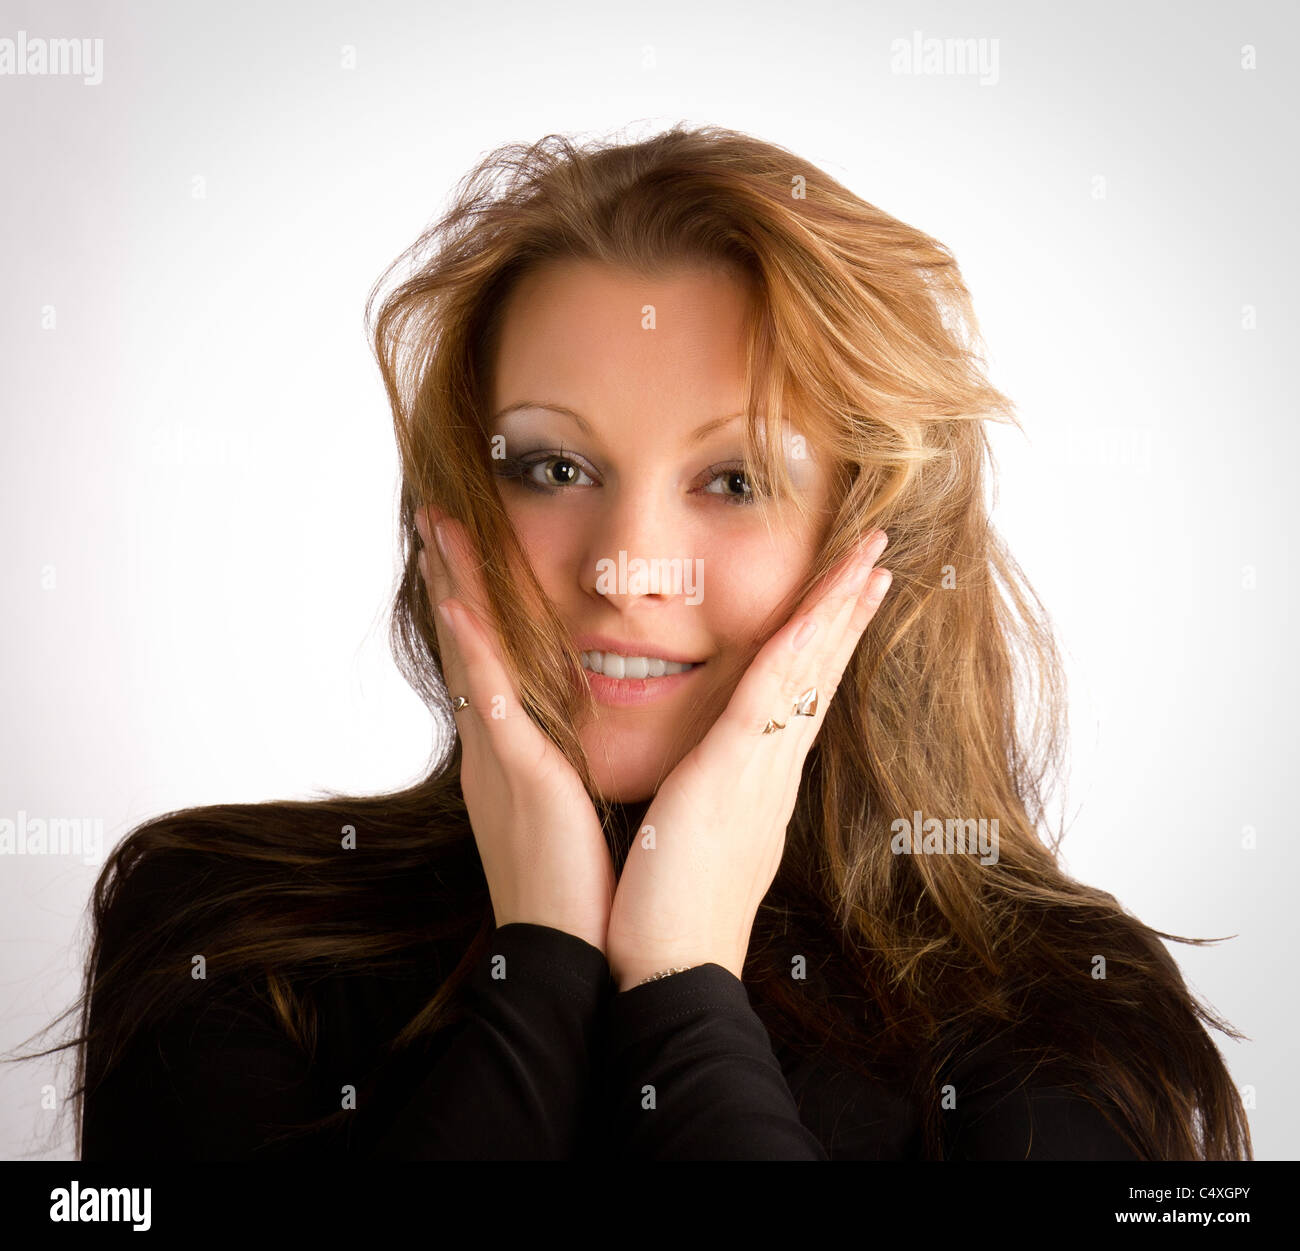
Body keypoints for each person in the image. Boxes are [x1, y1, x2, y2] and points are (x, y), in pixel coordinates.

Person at [34, 124, 1253, 1160]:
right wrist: (543, 963)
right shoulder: (229, 932)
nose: (624, 567)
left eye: (730, 479)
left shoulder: (1053, 1004)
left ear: (868, 536)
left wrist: (681, 989)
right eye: (554, 467)